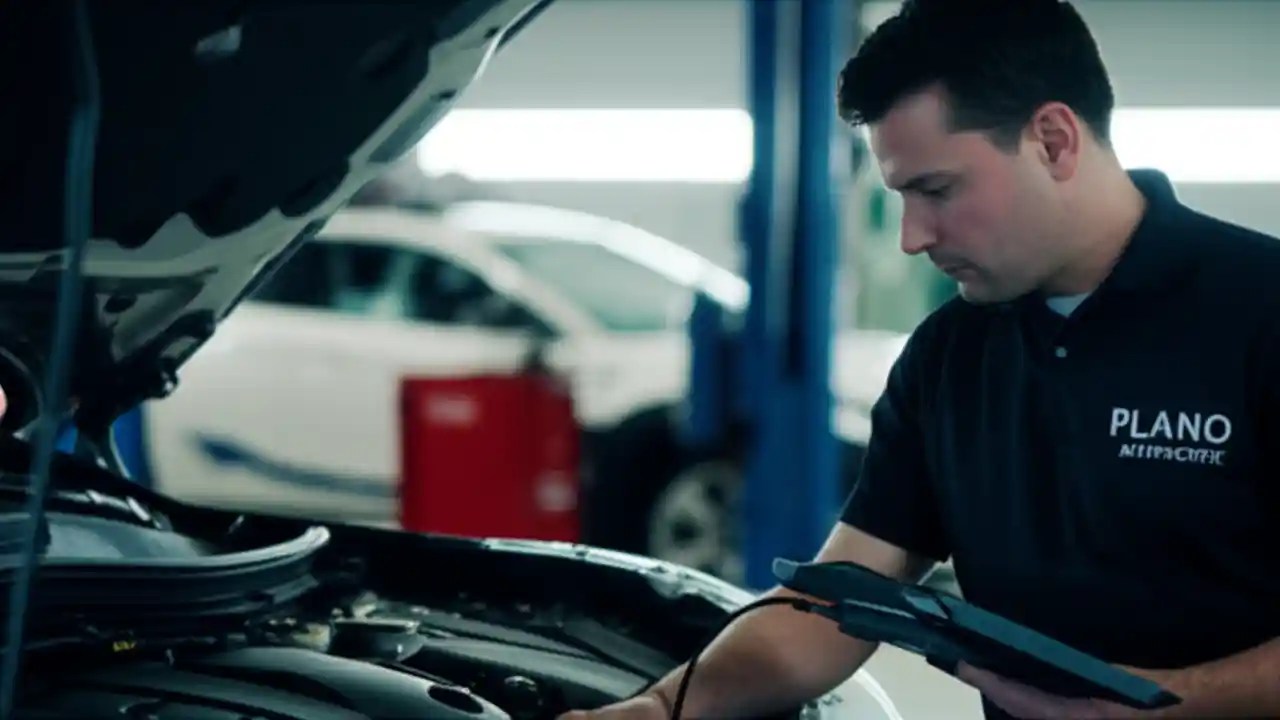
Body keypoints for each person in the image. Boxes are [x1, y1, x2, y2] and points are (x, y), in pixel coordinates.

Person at [559, 0, 1280, 718]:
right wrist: (659, 709)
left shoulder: (1260, 314)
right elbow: (828, 605)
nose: (912, 236)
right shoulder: (949, 353)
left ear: (1054, 141)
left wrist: (1177, 706)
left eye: (936, 190)